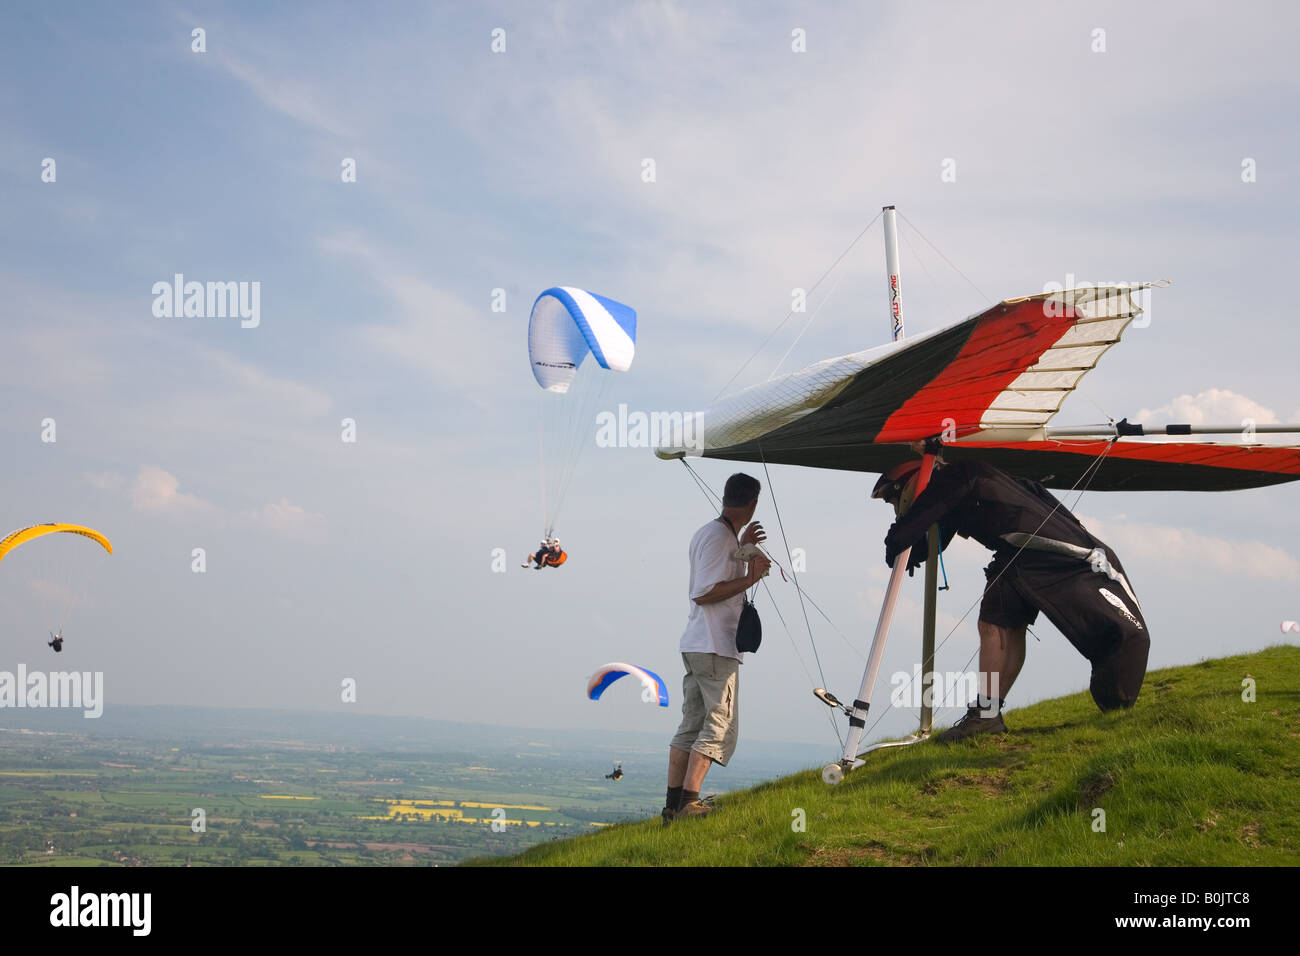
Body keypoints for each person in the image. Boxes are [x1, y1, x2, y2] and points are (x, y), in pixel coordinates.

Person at [876, 457, 1150, 742]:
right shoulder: (966, 478)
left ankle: (987, 715)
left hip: (1047, 554)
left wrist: (896, 542)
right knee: (998, 624)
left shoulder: (957, 474)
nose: (896, 507)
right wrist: (910, 549)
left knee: (996, 626)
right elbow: (937, 531)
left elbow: (919, 519)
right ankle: (987, 715)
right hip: (1020, 553)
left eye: (894, 499)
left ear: (909, 483)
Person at [663, 473, 771, 823]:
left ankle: (673, 805)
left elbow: (719, 567)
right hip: (713, 647)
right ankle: (689, 804)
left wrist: (743, 544)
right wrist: (752, 577)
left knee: (691, 724)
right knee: (719, 724)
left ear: (727, 497)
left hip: (699, 644)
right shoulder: (715, 536)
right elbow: (704, 592)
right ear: (753, 503)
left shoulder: (717, 533)